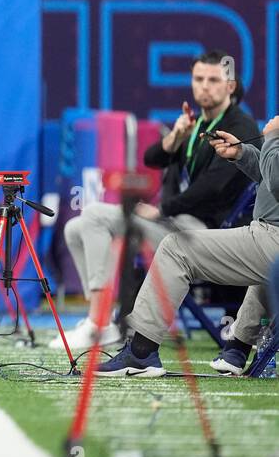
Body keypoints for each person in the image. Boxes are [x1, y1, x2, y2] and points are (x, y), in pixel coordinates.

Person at [57, 51, 255, 350]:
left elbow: (212, 188)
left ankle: (100, 323)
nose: (204, 86)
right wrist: (175, 137)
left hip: (207, 232)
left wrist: (160, 209)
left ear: (230, 86)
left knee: (96, 214)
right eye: (198, 79)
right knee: (75, 228)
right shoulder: (193, 125)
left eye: (213, 80)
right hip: (174, 223)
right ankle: (104, 317)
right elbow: (152, 158)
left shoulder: (240, 127)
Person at [96, 114, 279, 377]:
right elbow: (269, 178)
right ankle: (237, 349)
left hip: (272, 236)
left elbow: (277, 183)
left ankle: (140, 352)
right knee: (260, 271)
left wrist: (273, 137)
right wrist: (241, 153)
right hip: (269, 236)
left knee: (176, 248)